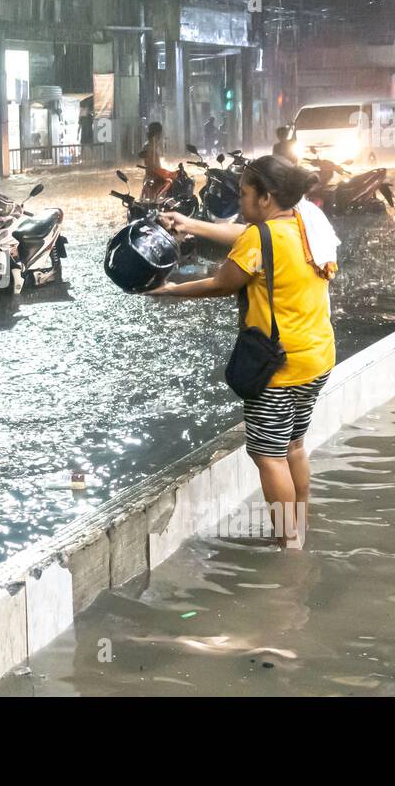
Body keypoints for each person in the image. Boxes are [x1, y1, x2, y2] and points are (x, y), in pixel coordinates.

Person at [146, 156, 334, 548]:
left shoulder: (259, 239)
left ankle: (288, 543)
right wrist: (192, 223)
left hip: (277, 367)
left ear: (265, 198)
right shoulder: (306, 225)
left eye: (246, 194)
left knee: (269, 457)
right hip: (318, 357)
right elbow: (250, 238)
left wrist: (168, 291)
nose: (241, 201)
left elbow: (221, 283)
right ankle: (301, 527)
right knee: (294, 446)